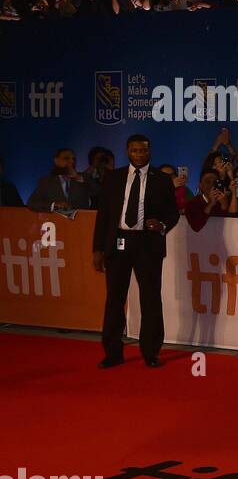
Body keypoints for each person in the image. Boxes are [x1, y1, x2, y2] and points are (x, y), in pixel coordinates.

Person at [92, 135, 180, 369]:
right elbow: (103, 216)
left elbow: (173, 214)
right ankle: (112, 352)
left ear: (149, 152)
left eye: (143, 151)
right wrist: (98, 249)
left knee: (150, 299)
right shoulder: (114, 177)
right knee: (114, 300)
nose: (139, 154)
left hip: (148, 244)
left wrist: (161, 225)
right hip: (118, 243)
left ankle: (151, 352)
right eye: (134, 150)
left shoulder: (162, 180)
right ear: (127, 151)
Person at [27, 149, 92, 212]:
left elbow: (97, 193)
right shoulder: (46, 181)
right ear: (56, 161)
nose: (72, 161)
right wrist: (54, 205)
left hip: (81, 220)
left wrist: (78, 177)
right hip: (55, 221)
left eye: (74, 159)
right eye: (66, 158)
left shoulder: (84, 177)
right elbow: (32, 203)